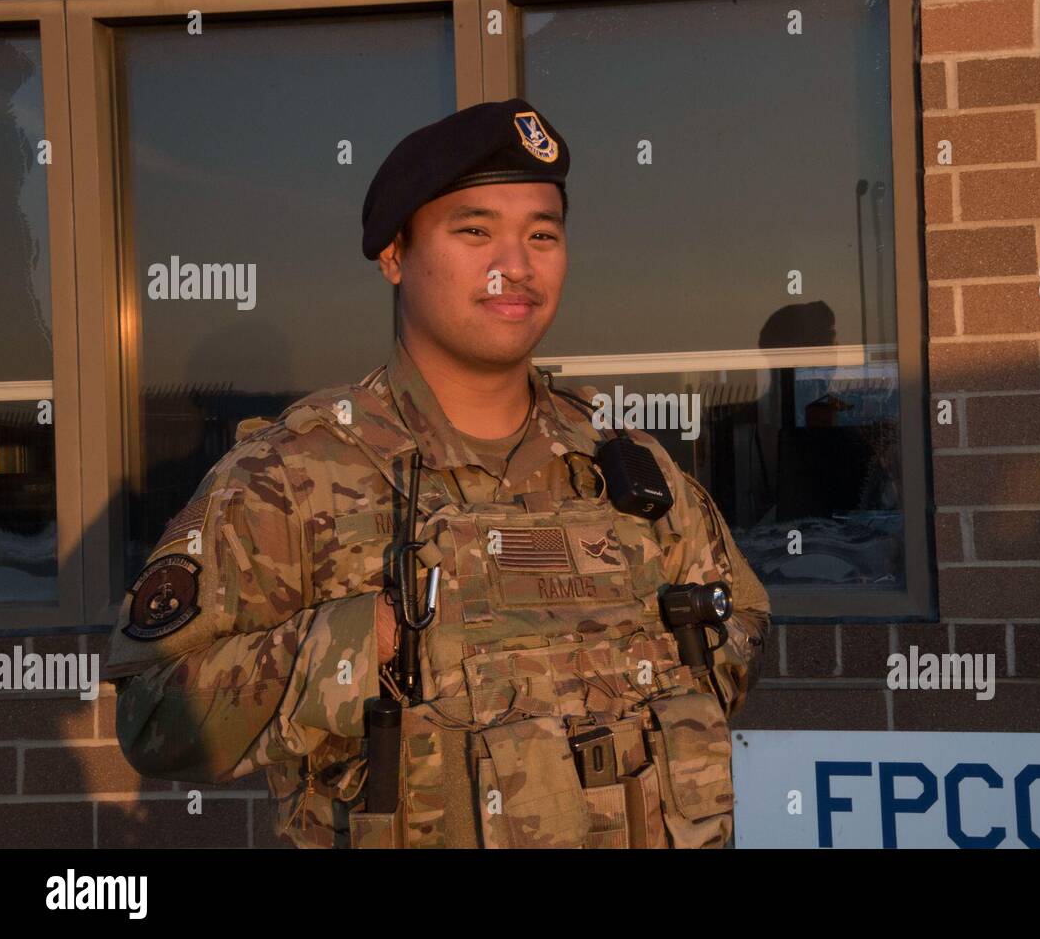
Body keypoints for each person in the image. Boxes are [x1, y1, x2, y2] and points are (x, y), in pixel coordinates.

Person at [103, 98, 769, 849]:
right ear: (394, 253)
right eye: (475, 231)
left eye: (542, 235)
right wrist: (360, 643)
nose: (515, 266)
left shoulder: (626, 468)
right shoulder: (294, 475)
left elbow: (739, 617)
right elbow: (153, 712)